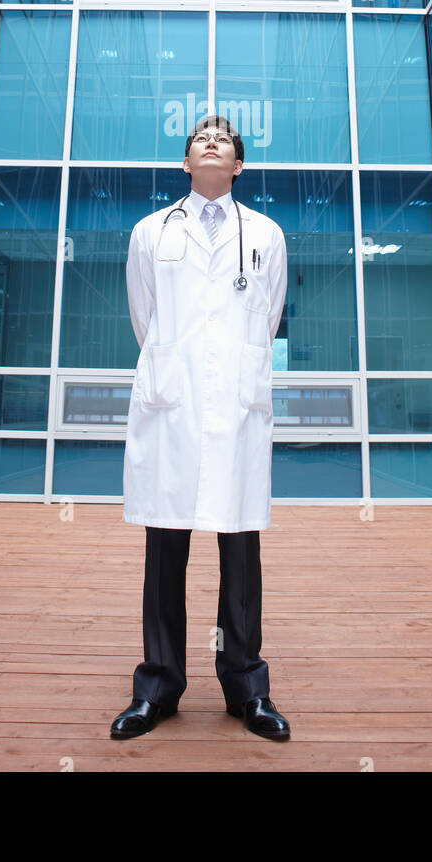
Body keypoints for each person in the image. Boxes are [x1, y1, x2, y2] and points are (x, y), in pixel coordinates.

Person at [110, 113, 290, 741]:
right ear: (185, 164)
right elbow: (145, 319)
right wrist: (175, 371)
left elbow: (264, 322)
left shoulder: (266, 233)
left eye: (223, 141)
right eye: (199, 139)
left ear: (238, 166)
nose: (211, 143)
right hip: (174, 406)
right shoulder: (150, 231)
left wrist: (229, 378)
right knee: (166, 551)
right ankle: (157, 686)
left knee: (240, 550)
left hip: (235, 411)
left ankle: (247, 688)